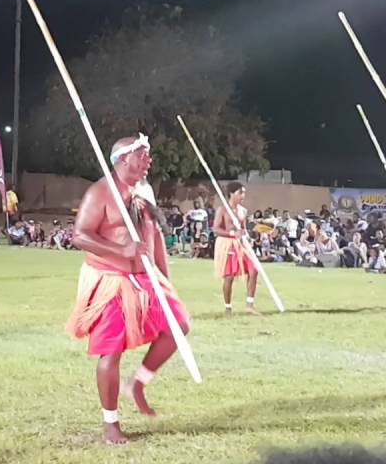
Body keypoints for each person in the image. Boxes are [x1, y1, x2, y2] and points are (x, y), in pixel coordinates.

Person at [64, 135, 190, 445]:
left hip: (146, 277)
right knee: (112, 351)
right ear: (124, 159)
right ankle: (111, 423)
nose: (149, 160)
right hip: (111, 279)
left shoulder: (143, 192)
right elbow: (80, 236)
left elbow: (154, 237)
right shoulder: (101, 191)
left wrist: (165, 279)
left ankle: (138, 383)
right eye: (143, 155)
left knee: (178, 326)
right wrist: (123, 251)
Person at [212, 182, 260, 315]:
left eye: (244, 193)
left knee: (254, 270)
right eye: (240, 192)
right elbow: (215, 228)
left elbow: (243, 228)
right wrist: (232, 233)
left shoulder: (243, 211)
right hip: (227, 244)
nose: (243, 195)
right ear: (232, 194)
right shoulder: (223, 209)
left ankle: (250, 304)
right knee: (229, 276)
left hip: (241, 244)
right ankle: (228, 307)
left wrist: (247, 236)